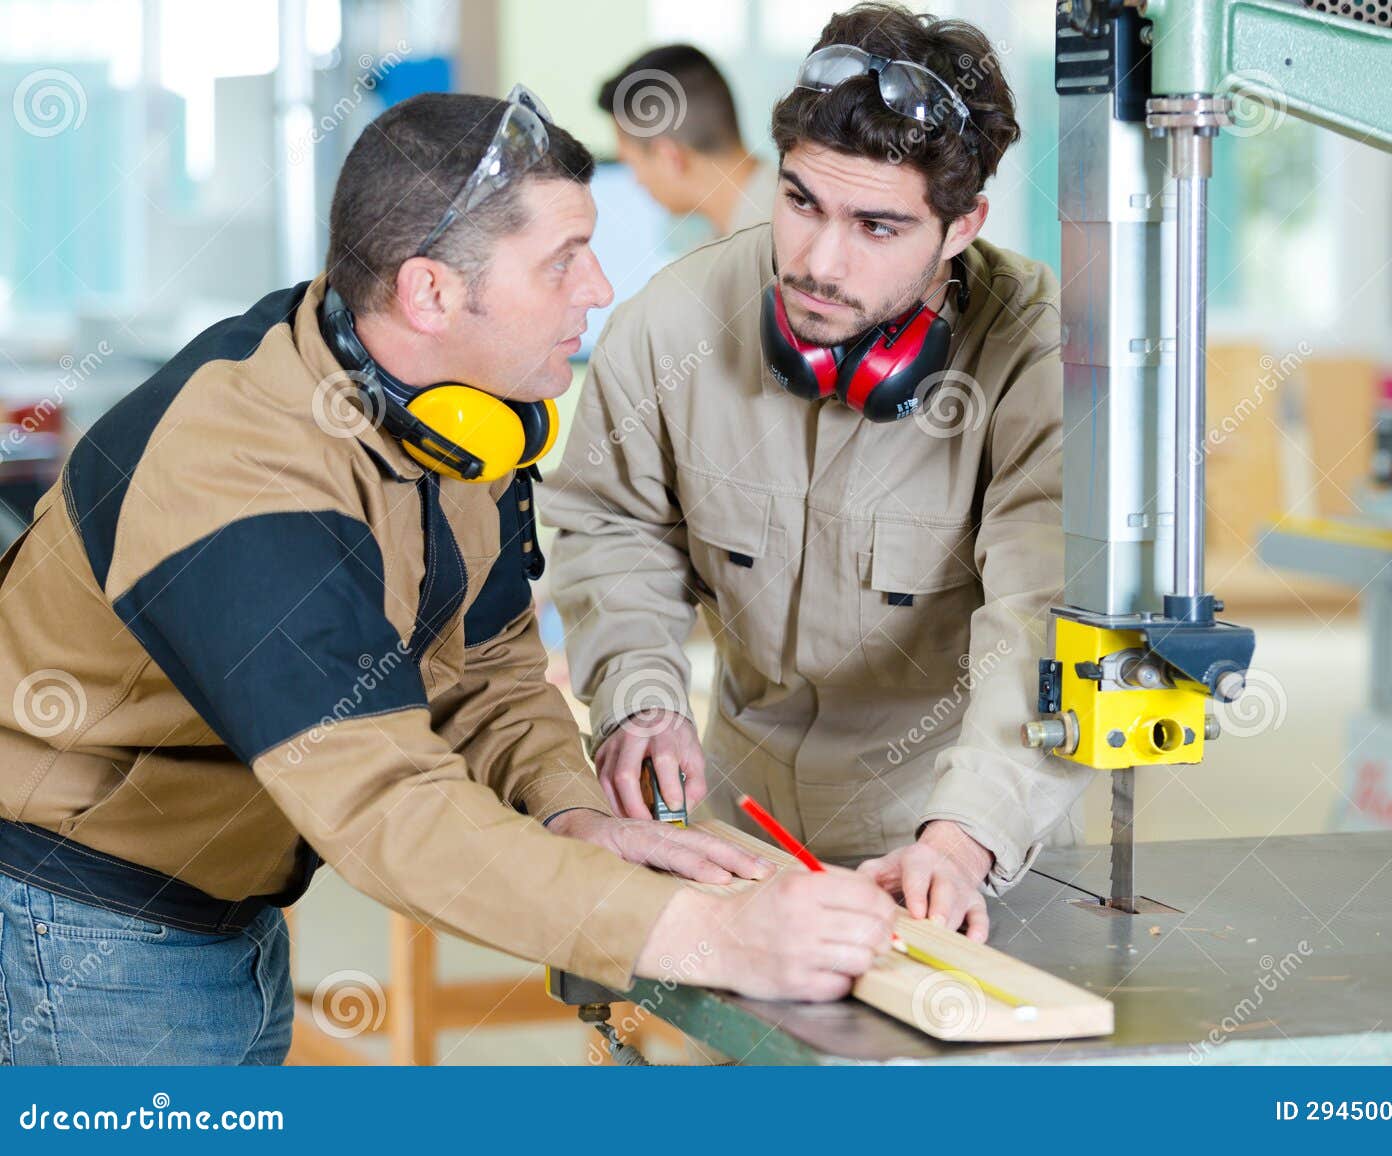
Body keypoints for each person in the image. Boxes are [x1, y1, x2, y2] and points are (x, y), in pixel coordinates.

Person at [0, 88, 895, 1066]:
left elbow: (491, 667)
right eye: (562, 261)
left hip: (225, 906)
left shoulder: (456, 414)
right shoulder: (238, 473)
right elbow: (390, 805)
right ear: (429, 293)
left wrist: (575, 813)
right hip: (80, 920)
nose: (598, 288)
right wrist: (712, 932)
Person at [544, 4, 1088, 946]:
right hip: (740, 823)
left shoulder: (1039, 357)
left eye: (878, 226)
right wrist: (640, 694)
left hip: (963, 832)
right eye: (800, 203)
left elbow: (1043, 616)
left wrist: (962, 843)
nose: (820, 263)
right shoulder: (669, 324)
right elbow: (611, 527)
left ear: (962, 227)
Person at [599, 44, 778, 236]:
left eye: (631, 163)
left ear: (668, 157)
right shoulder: (747, 228)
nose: (637, 181)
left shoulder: (772, 244)